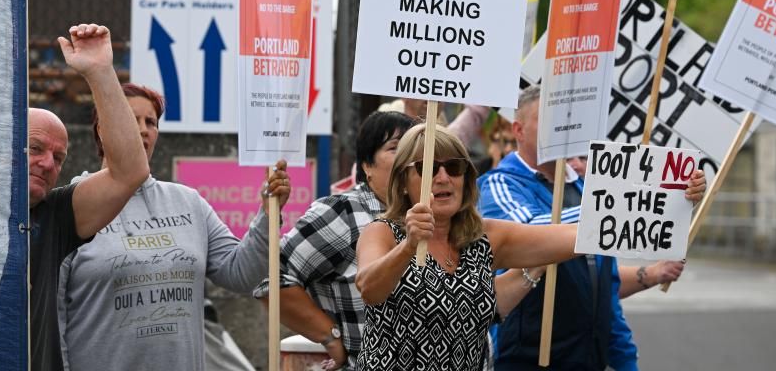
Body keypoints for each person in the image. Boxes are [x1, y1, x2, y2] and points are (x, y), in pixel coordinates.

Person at [253, 110, 529, 370]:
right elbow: (272, 276)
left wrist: (533, 269)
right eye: (399, 149)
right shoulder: (343, 212)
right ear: (366, 166)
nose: (431, 165)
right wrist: (330, 335)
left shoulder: (450, 216)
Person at [56, 83, 291, 371]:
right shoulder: (71, 205)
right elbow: (52, 320)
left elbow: (240, 274)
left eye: (150, 122)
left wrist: (268, 215)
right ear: (102, 130)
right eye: (130, 119)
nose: (143, 129)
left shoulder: (188, 202)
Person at [478, 84, 704, 371]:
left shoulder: (589, 188)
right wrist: (633, 200)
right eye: (548, 120)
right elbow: (530, 234)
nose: (561, 128)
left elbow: (605, 286)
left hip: (586, 359)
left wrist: (674, 196)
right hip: (524, 360)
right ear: (519, 130)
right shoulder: (499, 183)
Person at [354, 124, 593, 371]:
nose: (443, 177)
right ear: (403, 182)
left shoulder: (484, 236)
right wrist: (408, 247)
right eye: (428, 168)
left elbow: (576, 236)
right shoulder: (382, 232)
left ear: (466, 178)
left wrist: (622, 214)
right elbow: (369, 290)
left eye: (455, 168)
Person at [30, 23, 151, 371]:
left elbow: (130, 172)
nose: (47, 163)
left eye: (59, 158)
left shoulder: (52, 216)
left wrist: (99, 72)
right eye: (35, 148)